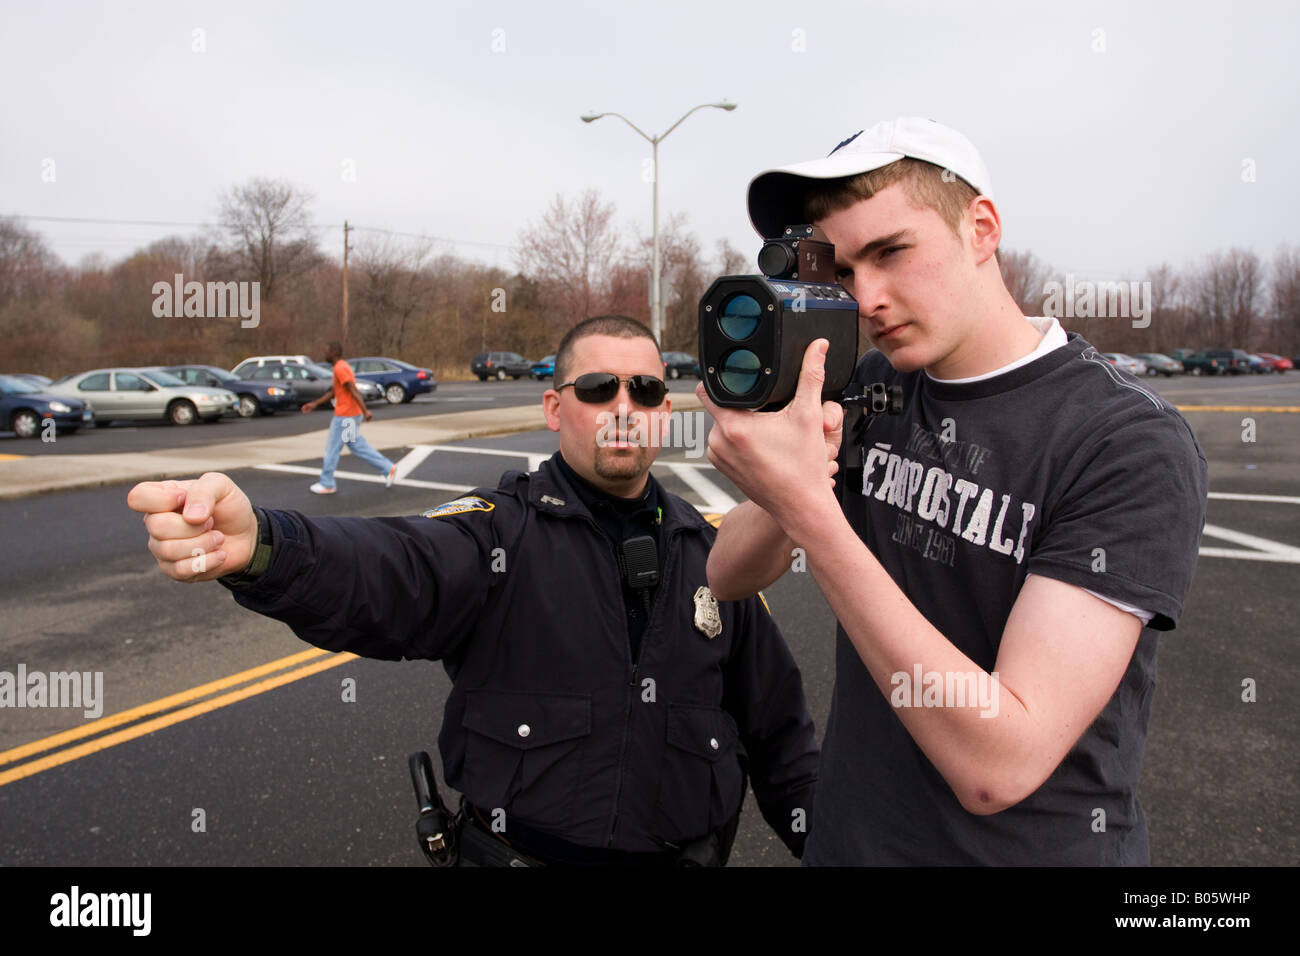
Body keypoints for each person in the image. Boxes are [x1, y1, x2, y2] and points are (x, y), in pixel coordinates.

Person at [699, 117, 1208, 865]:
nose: (866, 298)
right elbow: (725, 576)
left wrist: (811, 508)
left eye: (891, 251)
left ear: (981, 228)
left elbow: (1000, 763)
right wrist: (786, 488)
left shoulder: (1125, 441)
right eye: (840, 270)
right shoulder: (877, 385)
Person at [127, 316, 817, 867]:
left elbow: (781, 739)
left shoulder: (719, 558)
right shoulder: (498, 535)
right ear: (554, 407)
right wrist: (264, 547)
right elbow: (393, 568)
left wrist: (835, 843)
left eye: (643, 391)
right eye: (599, 388)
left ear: (665, 411)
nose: (622, 407)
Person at [303, 341, 395, 494]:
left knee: (331, 449)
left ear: (333, 352)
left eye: (326, 350)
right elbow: (334, 391)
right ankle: (388, 468)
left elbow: (353, 389)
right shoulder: (341, 367)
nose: (324, 353)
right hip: (350, 415)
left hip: (345, 417)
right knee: (357, 446)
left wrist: (366, 411)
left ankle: (327, 483)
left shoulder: (340, 368)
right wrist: (315, 404)